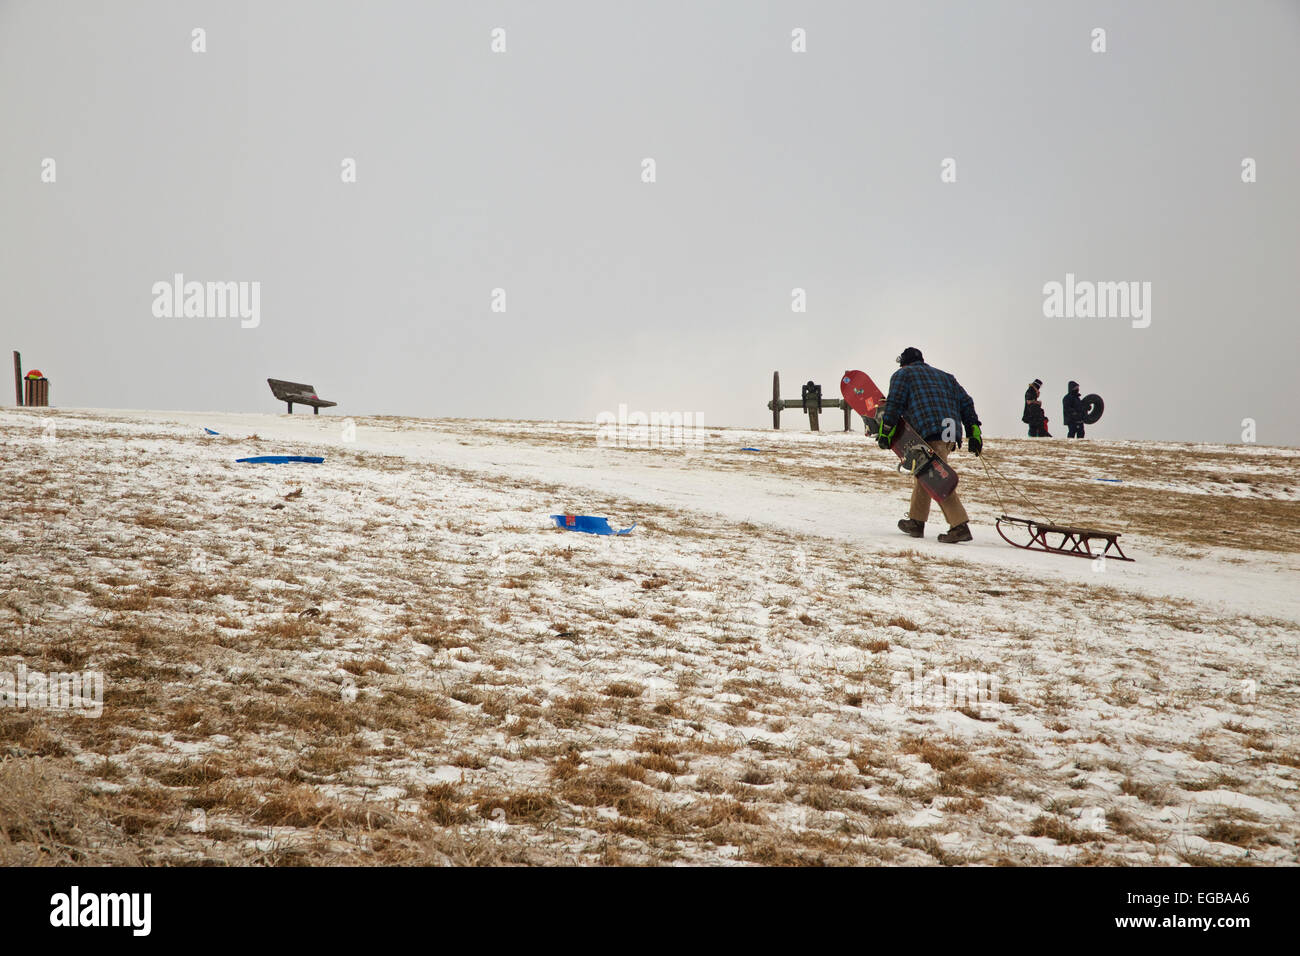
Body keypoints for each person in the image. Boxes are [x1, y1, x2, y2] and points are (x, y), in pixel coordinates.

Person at [878, 347, 982, 544]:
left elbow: (894, 404)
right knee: (925, 472)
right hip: (950, 433)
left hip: (928, 429)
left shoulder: (903, 374)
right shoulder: (946, 377)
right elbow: (967, 404)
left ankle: (959, 525)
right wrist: (974, 433)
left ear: (903, 363)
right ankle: (916, 522)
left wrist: (885, 432)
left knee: (935, 476)